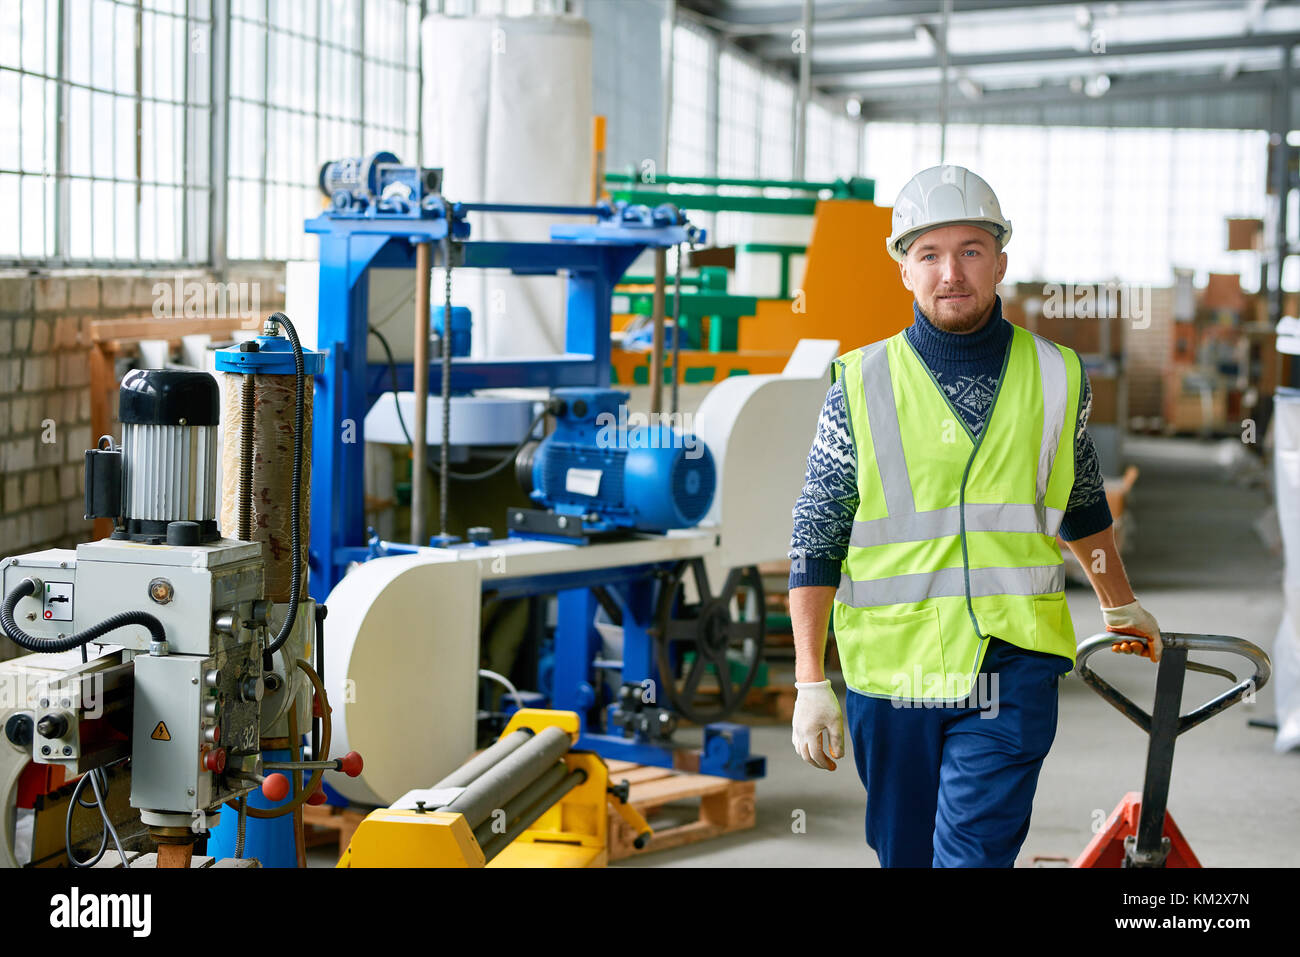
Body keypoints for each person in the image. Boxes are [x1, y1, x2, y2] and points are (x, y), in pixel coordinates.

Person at [786, 165, 1162, 867]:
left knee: (974, 851)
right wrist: (811, 680)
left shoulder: (1056, 375)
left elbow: (1081, 499)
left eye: (970, 251)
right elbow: (817, 533)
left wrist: (1119, 603)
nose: (950, 272)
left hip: (1011, 659)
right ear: (904, 268)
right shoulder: (859, 384)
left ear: (1000, 263)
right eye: (928, 253)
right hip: (892, 671)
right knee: (904, 854)